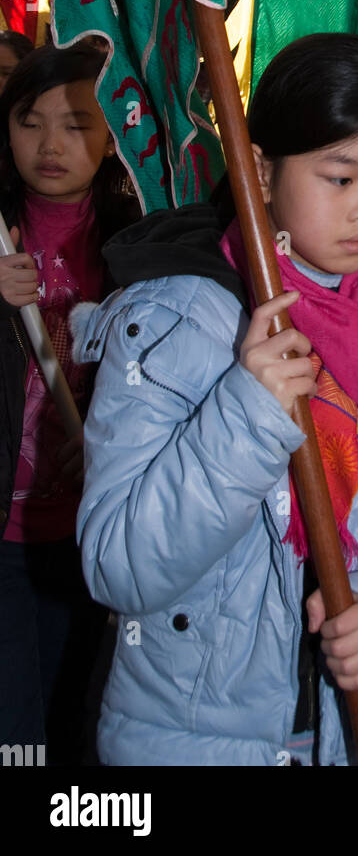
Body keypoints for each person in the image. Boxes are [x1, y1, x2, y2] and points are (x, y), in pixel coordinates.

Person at [75, 33, 358, 766]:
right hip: (190, 744)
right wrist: (244, 415)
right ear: (259, 170)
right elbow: (120, 566)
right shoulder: (169, 323)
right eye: (340, 178)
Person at [0, 43, 140, 762]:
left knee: (80, 730)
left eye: (78, 123)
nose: (52, 144)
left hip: (92, 538)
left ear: (113, 133)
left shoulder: (139, 249)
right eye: (31, 121)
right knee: (15, 739)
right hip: (6, 542)